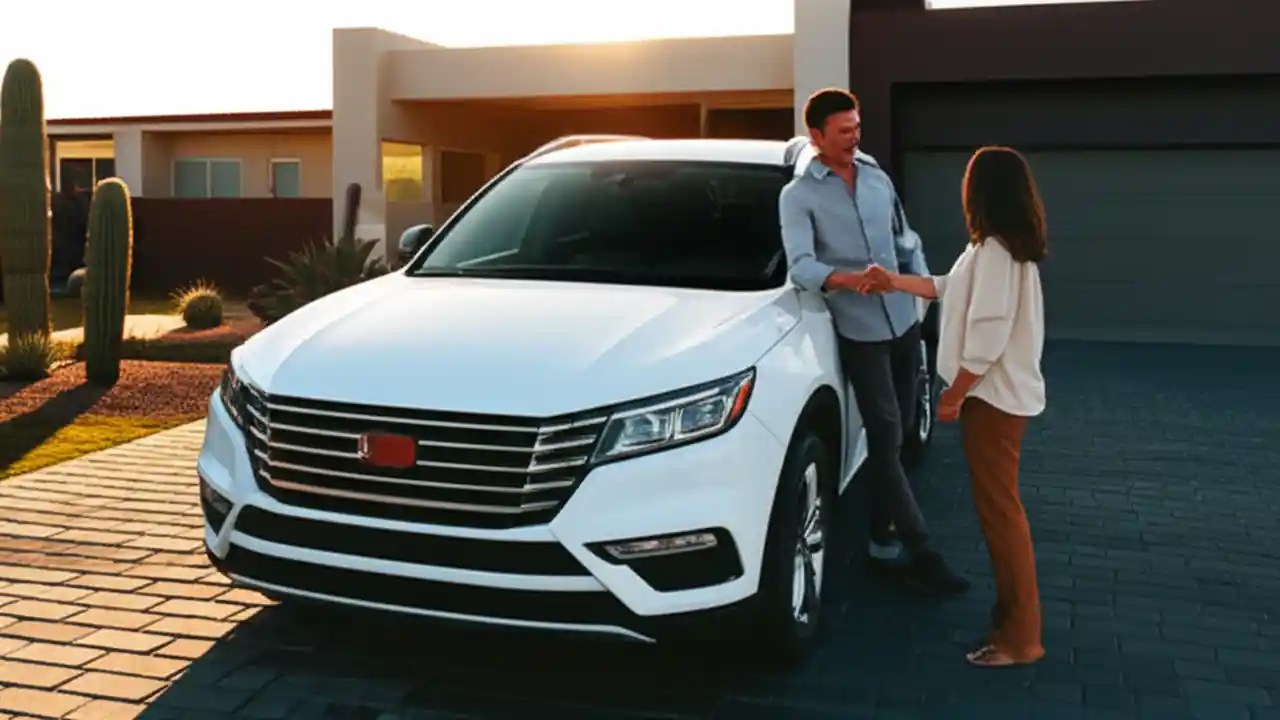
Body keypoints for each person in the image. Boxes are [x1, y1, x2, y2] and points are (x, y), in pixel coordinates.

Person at [861, 145, 1049, 667]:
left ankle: (1021, 639)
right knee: (1001, 514)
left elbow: (988, 334)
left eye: (969, 179)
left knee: (1002, 516)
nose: (962, 188)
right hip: (996, 398)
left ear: (982, 190)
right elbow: (949, 288)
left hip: (992, 400)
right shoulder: (995, 248)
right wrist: (891, 280)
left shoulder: (995, 251)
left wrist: (954, 391)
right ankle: (1011, 621)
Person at [778, 87, 969, 596]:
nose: (854, 137)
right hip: (859, 333)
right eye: (843, 132)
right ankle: (921, 551)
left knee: (905, 432)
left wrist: (923, 294)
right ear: (816, 136)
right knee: (884, 439)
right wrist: (848, 280)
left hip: (903, 323)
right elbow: (800, 267)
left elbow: (906, 241)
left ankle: (880, 540)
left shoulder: (878, 178)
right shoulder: (798, 197)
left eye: (857, 128)